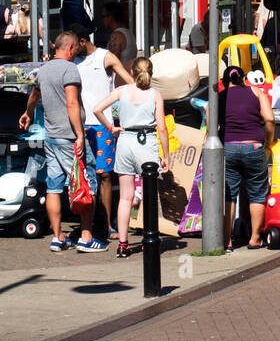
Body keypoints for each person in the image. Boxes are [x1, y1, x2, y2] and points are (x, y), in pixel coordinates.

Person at [18, 31, 104, 252]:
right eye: (76, 50)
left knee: (54, 187)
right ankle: (86, 237)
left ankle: (58, 237)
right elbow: (72, 103)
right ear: (70, 48)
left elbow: (34, 95)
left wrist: (28, 113)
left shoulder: (44, 70)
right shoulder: (69, 69)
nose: (77, 54)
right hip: (69, 137)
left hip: (51, 137)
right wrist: (80, 135)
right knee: (86, 184)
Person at [94, 56, 170, 259]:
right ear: (150, 73)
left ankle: (123, 244)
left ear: (132, 73)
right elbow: (162, 128)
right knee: (149, 195)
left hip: (125, 141)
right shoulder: (155, 95)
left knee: (125, 197)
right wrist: (166, 155)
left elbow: (97, 109)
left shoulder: (122, 91)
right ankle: (149, 238)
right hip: (147, 143)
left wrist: (111, 128)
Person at [75, 30, 134, 240]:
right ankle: (87, 227)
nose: (72, 48)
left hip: (103, 125)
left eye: (75, 44)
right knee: (84, 177)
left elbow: (129, 81)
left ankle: (108, 225)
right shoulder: (73, 60)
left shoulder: (105, 57)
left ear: (83, 41)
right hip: (81, 126)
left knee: (105, 175)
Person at [217, 64, 274, 251]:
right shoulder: (257, 92)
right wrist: (268, 140)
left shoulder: (220, 97)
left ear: (225, 81)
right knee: (257, 192)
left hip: (229, 146)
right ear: (244, 79)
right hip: (254, 145)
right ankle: (255, 239)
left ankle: (227, 240)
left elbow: (210, 122)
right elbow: (269, 119)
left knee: (229, 193)